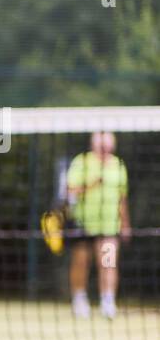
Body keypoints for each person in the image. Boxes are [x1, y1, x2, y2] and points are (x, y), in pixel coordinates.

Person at [66, 131, 130, 320]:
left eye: (108, 146)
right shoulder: (82, 162)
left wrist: (125, 224)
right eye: (102, 146)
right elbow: (70, 190)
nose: (105, 150)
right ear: (94, 145)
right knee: (81, 262)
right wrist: (93, 184)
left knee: (108, 263)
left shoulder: (118, 165)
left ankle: (108, 302)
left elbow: (122, 198)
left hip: (109, 226)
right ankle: (79, 300)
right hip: (84, 224)